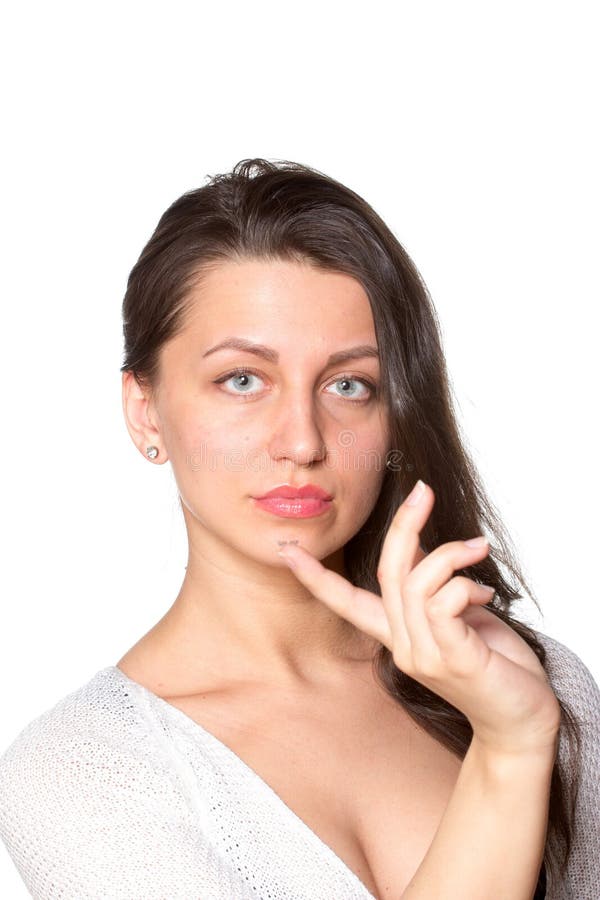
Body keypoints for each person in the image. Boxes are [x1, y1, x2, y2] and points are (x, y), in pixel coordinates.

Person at [0, 158, 598, 900]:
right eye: (242, 380)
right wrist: (509, 755)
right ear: (145, 410)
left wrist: (526, 725)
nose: (303, 441)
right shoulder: (80, 767)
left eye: (349, 386)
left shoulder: (536, 683)